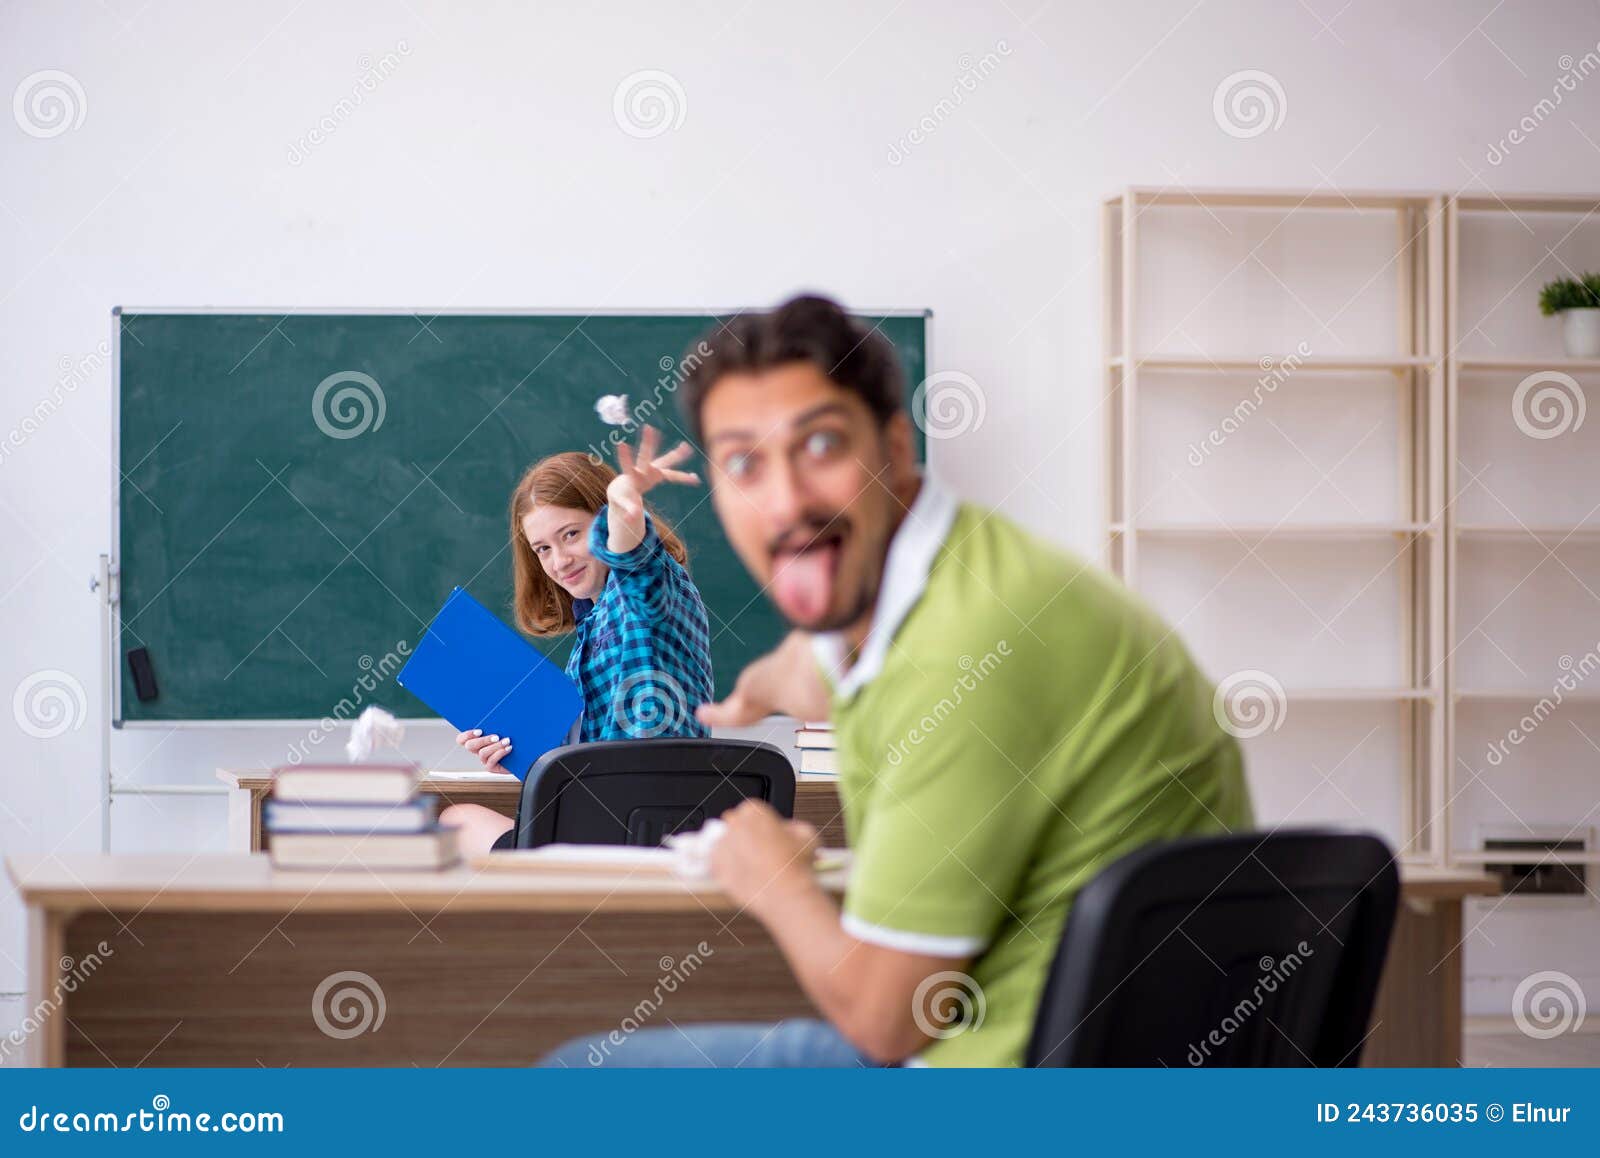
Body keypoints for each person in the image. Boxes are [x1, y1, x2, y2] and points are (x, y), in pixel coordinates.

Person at [541, 294, 1253, 1067]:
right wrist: (784, 673)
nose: (785, 501)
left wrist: (773, 879)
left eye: (819, 445)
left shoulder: (959, 649)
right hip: (1081, 1050)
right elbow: (825, 661)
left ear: (895, 444)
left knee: (579, 1077)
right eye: (744, 462)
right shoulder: (977, 577)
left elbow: (887, 1022)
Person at [440, 427, 713, 856]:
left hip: (640, 831)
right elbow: (580, 769)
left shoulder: (647, 589)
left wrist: (624, 498)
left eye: (571, 534)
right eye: (542, 549)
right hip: (609, 823)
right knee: (457, 819)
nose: (559, 560)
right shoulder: (589, 634)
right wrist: (518, 754)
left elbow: (630, 550)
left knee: (455, 823)